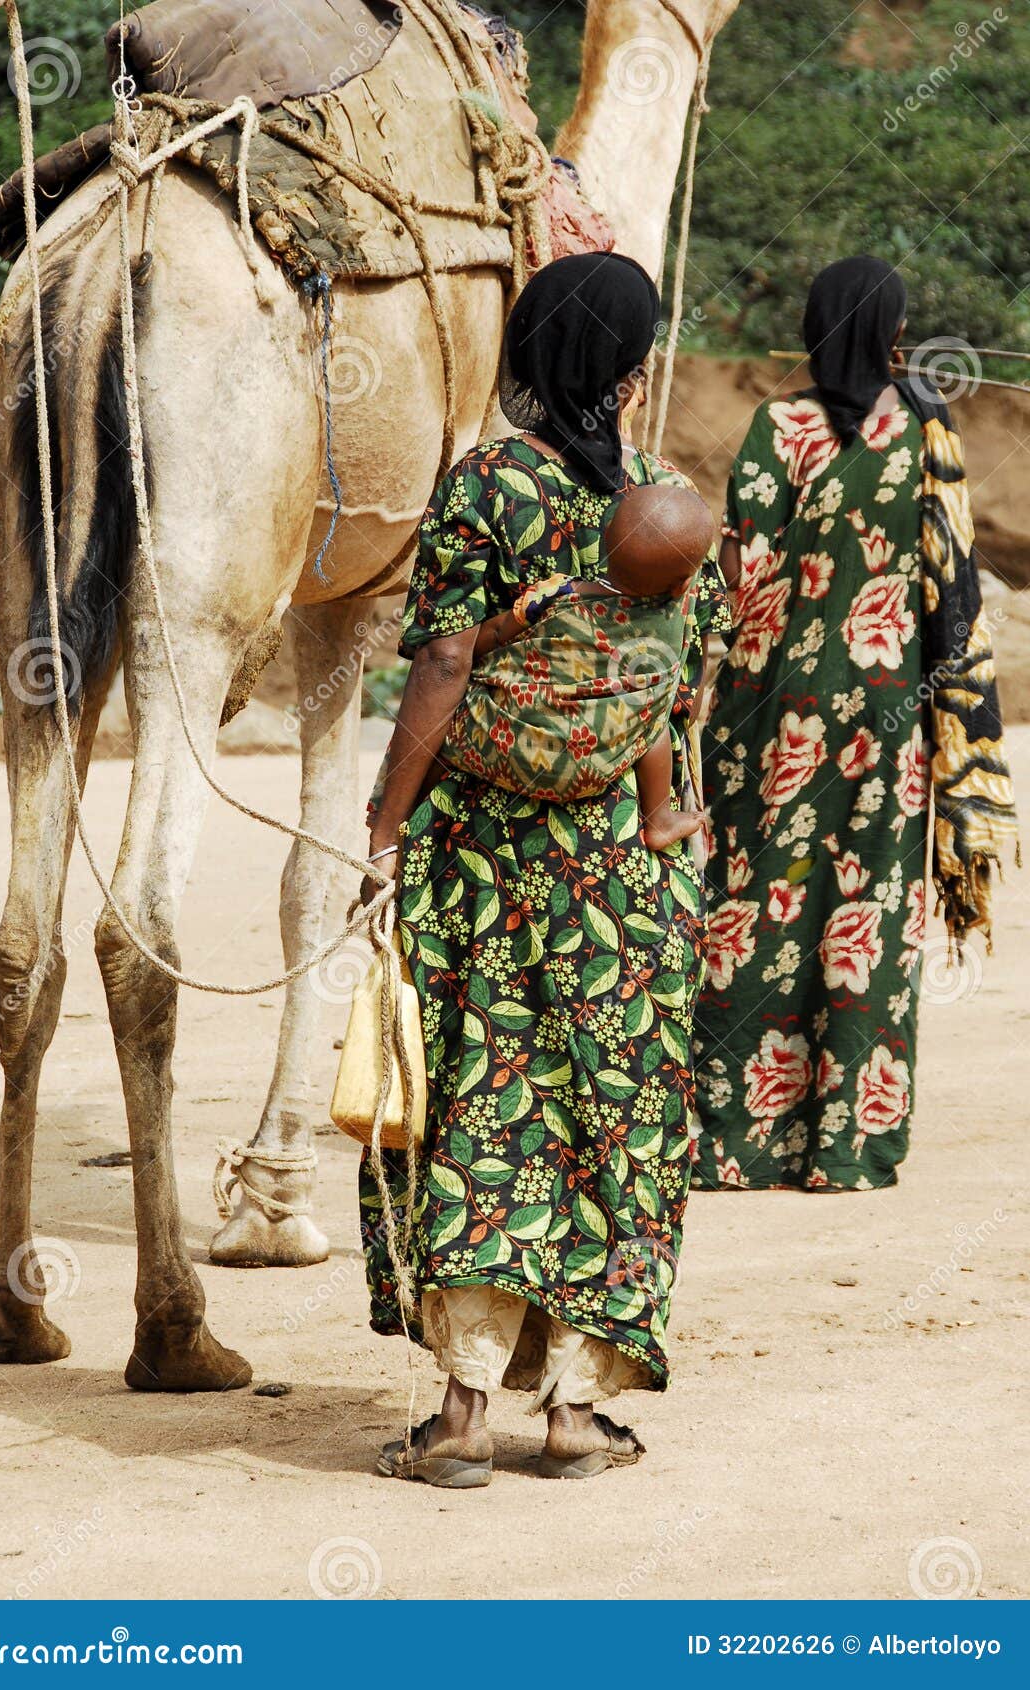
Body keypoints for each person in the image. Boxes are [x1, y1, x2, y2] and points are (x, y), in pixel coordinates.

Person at [361, 251, 731, 1487]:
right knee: (609, 1122)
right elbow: (682, 679)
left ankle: (464, 1414)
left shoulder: (484, 489)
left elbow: (443, 668)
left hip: (483, 859)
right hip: (622, 875)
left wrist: (383, 820)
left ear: (529, 351)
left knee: (480, 1099)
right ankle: (574, 1414)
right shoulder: (673, 504)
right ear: (629, 370)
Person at [692, 255, 1017, 1194]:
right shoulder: (924, 431)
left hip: (769, 720)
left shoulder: (776, 427)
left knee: (753, 912)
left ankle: (737, 1143)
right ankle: (847, 1148)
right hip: (888, 722)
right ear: (892, 331)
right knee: (866, 920)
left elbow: (740, 581)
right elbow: (949, 592)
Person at [435, 480, 715, 851]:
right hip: (589, 774)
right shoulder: (674, 619)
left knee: (451, 710)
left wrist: (505, 628)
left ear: (604, 543)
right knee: (655, 712)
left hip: (504, 753)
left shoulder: (556, 596)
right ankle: (659, 817)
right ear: (682, 587)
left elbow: (489, 640)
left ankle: (419, 800)